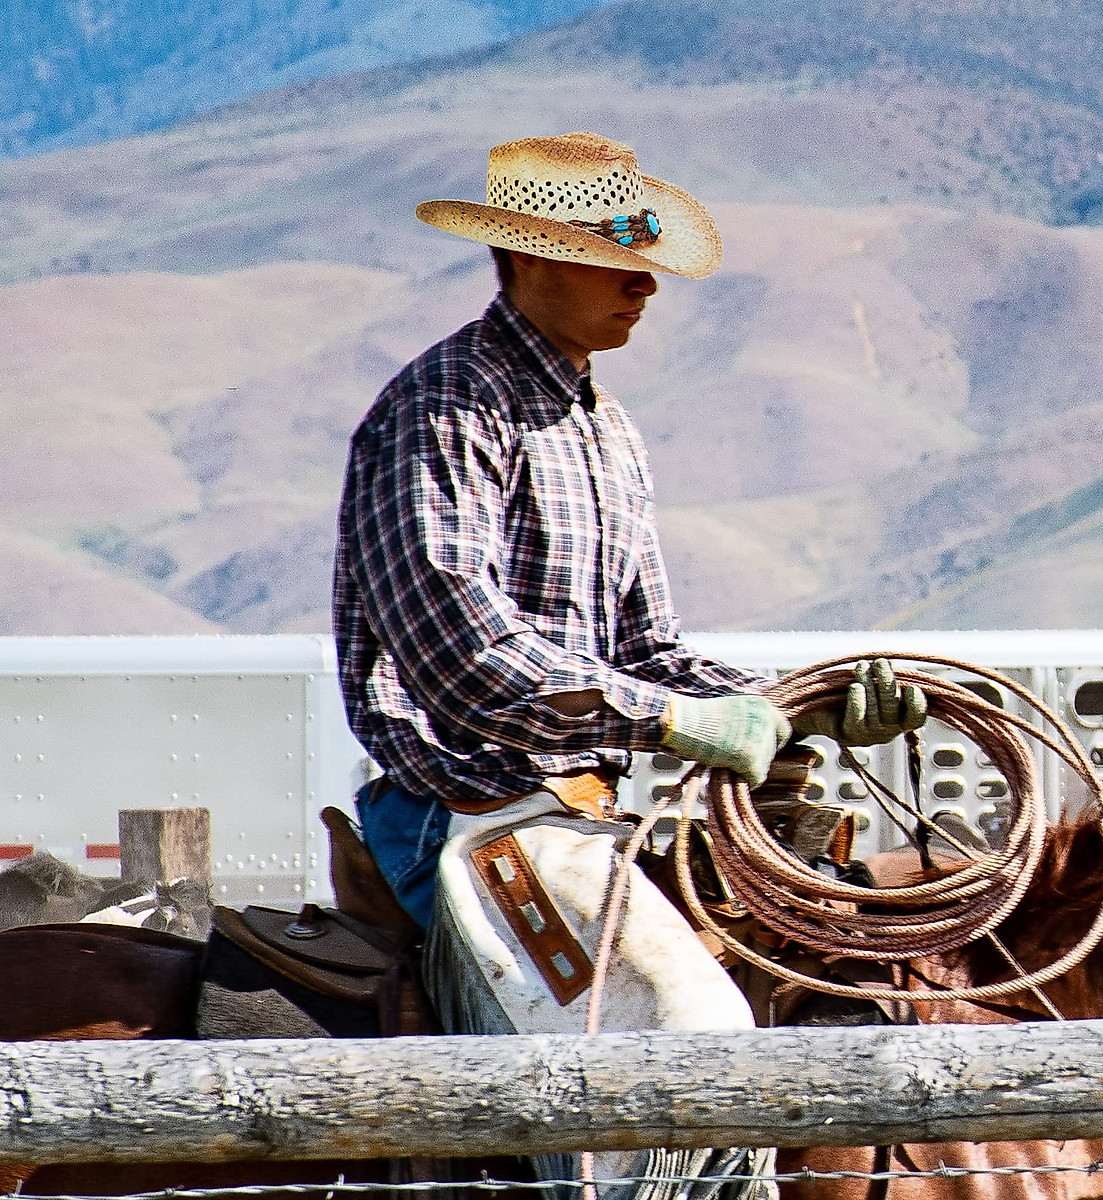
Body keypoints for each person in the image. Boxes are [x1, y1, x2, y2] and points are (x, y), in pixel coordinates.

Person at [333, 131, 925, 1198]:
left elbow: (647, 650)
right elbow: (455, 651)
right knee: (690, 1039)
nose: (644, 281)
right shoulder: (442, 410)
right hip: (470, 812)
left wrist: (801, 706)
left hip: (584, 812)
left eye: (642, 255)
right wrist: (666, 725)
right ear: (529, 259)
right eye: (611, 252)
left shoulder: (609, 432)